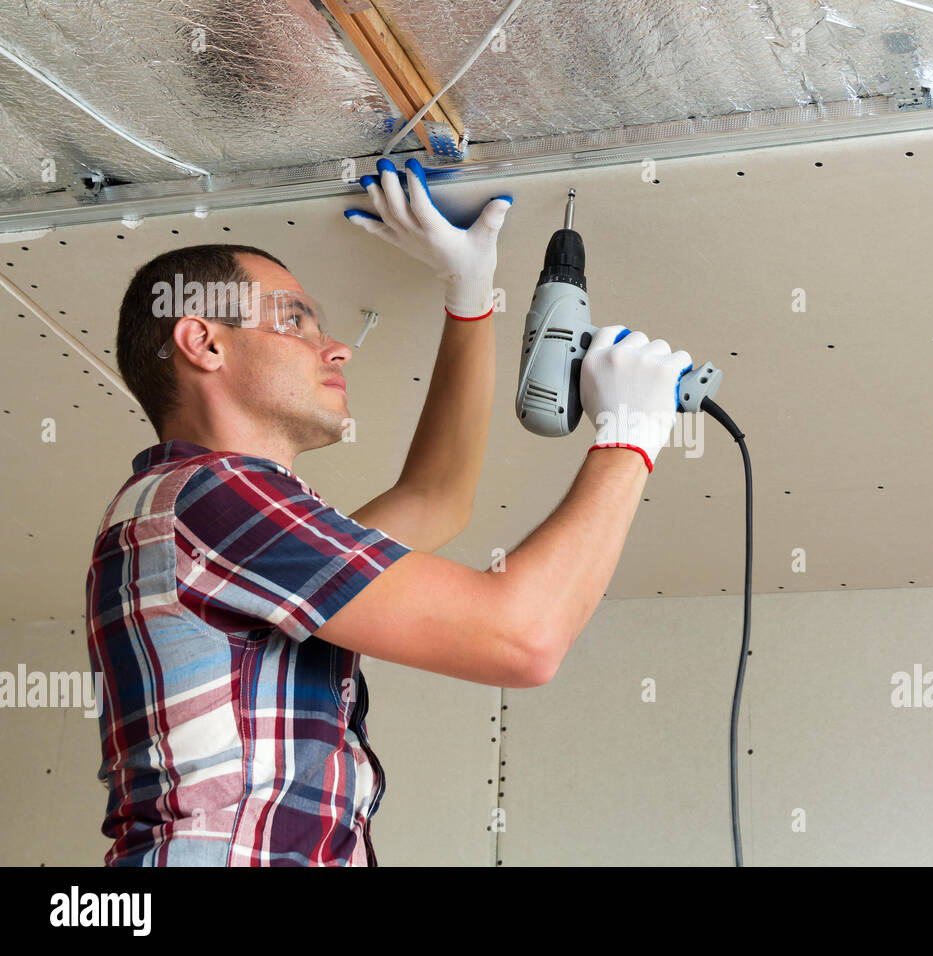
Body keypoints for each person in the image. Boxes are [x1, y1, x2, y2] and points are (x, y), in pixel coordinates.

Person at [85, 156, 692, 866]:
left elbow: (435, 499)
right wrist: (630, 438)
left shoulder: (210, 516)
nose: (334, 346)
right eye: (295, 321)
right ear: (204, 342)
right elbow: (522, 637)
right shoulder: (205, 499)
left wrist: (470, 294)